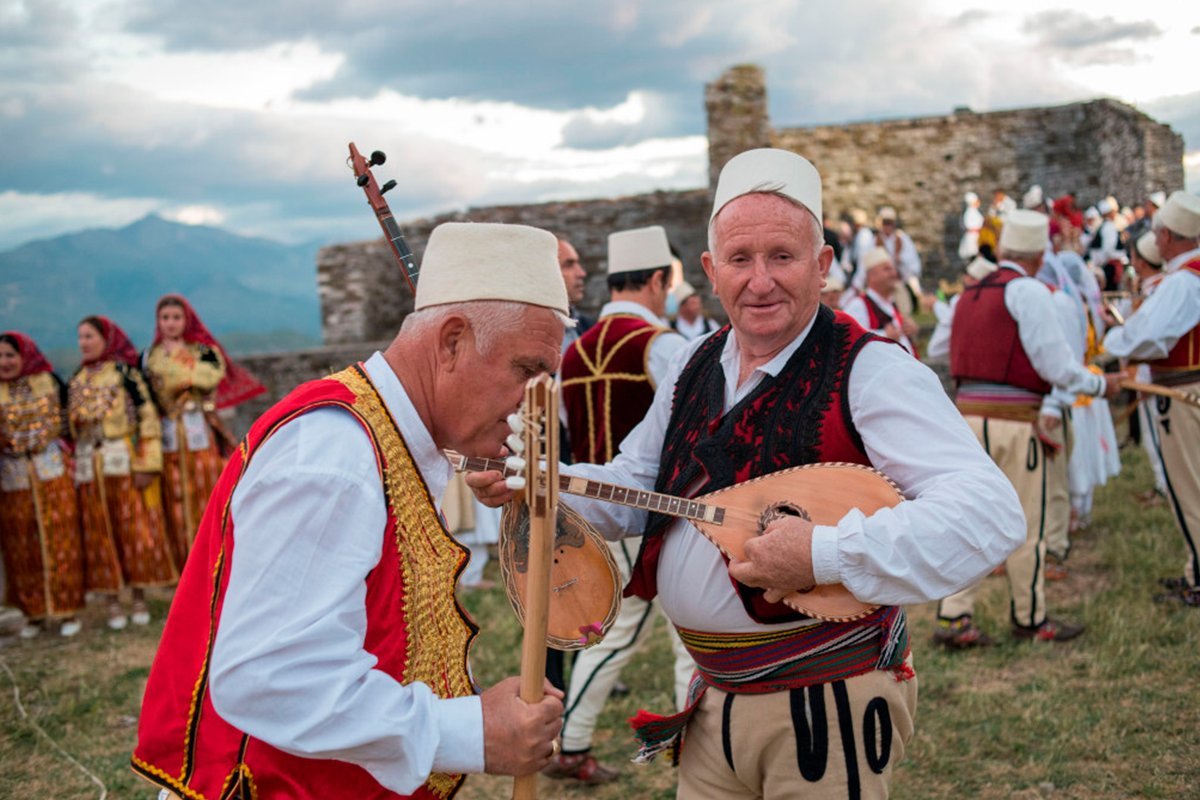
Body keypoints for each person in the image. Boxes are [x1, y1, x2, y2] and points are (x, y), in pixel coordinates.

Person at [470, 148, 1024, 798]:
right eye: (740, 260)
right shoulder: (691, 367)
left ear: (822, 266)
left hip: (827, 706)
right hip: (713, 705)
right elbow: (633, 488)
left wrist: (822, 554)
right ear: (709, 271)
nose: (759, 281)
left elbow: (989, 512)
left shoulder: (872, 371)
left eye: (782, 257)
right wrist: (542, 488)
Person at [133, 222, 566, 798]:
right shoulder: (334, 455)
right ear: (453, 341)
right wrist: (472, 731)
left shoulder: (385, 436)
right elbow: (269, 676)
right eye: (528, 371)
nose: (533, 400)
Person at [551, 225, 696, 785]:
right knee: (677, 631)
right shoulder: (663, 347)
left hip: (594, 511)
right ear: (658, 280)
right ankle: (688, 746)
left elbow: (568, 432)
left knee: (618, 630)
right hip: (655, 512)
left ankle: (576, 740)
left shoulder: (574, 353)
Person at [938, 210, 1121, 648]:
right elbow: (1055, 366)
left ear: (1003, 251)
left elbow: (941, 347)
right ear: (1040, 255)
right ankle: (1031, 616)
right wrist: (1099, 383)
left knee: (968, 519)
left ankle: (953, 615)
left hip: (966, 422)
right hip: (1016, 422)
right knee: (1025, 522)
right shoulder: (1028, 292)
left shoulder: (968, 295)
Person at [1103, 191, 1200, 606]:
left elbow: (1149, 336)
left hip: (1180, 390)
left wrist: (1113, 339)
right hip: (1184, 386)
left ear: (1167, 236)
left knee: (1189, 488)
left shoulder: (1183, 280)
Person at [142, 294, 265, 568]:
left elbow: (210, 376)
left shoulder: (204, 351)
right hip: (169, 433)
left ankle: (215, 555)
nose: (171, 324)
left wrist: (173, 376)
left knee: (205, 486)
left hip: (200, 429)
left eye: (176, 318)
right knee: (173, 495)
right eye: (165, 318)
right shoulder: (150, 356)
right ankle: (182, 562)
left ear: (186, 320)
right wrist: (186, 376)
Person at [69, 316, 175, 629]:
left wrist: (147, 464)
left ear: (106, 339)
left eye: (89, 336)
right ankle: (112, 601)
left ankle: (139, 596)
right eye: (80, 337)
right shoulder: (76, 380)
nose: (83, 343)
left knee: (132, 529)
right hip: (91, 467)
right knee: (98, 532)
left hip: (122, 461)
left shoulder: (125, 376)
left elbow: (148, 418)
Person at [0, 332, 85, 638]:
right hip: (14, 478)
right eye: (0, 357)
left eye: (10, 355)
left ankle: (67, 609)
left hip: (51, 473)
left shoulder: (48, 384)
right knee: (21, 544)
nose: (5, 362)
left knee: (61, 538)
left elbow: (67, 425)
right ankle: (33, 613)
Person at [842, 246, 919, 356]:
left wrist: (910, 331)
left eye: (893, 269)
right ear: (871, 276)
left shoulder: (892, 305)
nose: (894, 273)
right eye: (887, 269)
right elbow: (847, 339)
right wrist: (883, 335)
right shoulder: (859, 305)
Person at [925, 256, 997, 364]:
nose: (965, 278)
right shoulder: (966, 299)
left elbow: (950, 319)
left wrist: (936, 304)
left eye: (969, 276)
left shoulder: (966, 301)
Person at [557, 236, 594, 351]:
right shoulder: (525, 335)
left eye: (578, 264)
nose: (581, 273)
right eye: (569, 265)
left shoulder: (591, 328)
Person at [958, 191, 984, 261]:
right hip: (973, 236)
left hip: (976, 235)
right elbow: (970, 226)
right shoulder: (970, 212)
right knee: (973, 254)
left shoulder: (974, 211)